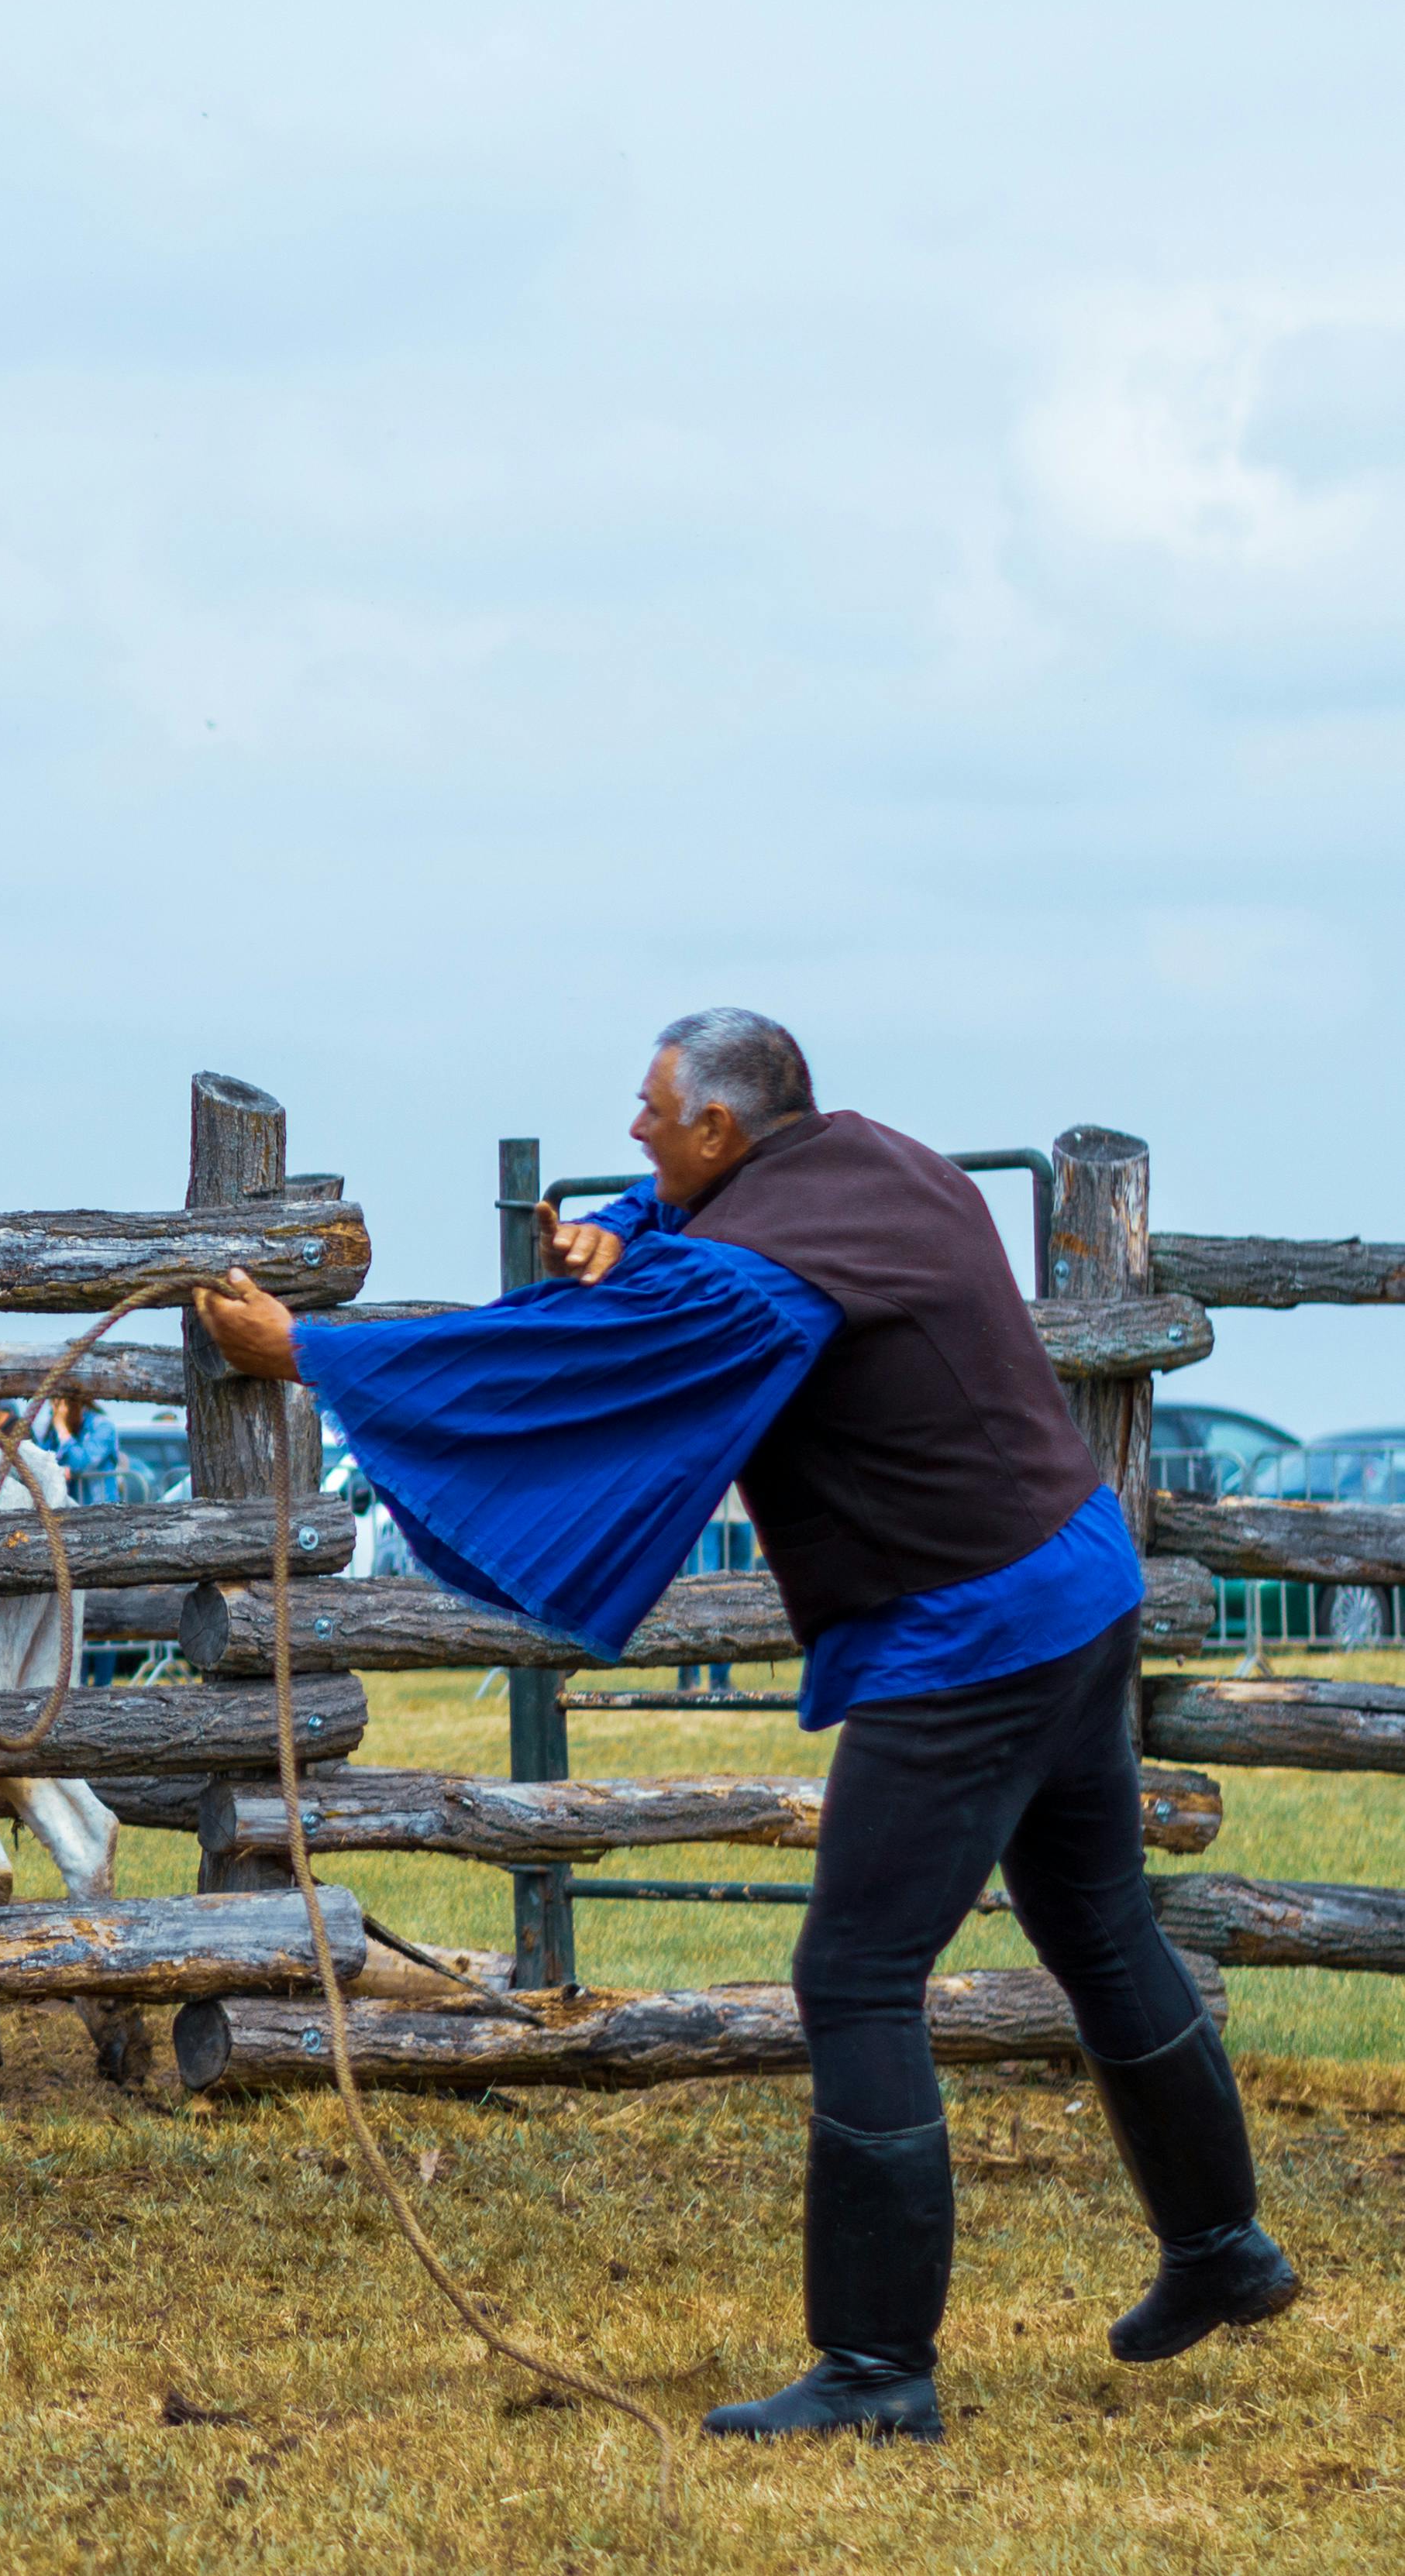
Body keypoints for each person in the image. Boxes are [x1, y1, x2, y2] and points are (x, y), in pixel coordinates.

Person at [190, 1011, 1297, 2444]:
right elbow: (690, 1227)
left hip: (968, 1634)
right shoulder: (882, 1160)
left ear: (721, 1126)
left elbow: (566, 1360)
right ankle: (1222, 2249)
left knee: (854, 1974)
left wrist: (311, 1355)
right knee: (1096, 1924)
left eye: (652, 1115)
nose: (633, 1134)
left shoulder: (750, 1277)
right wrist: (618, 1225)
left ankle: (875, 2372)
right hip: (1075, 1579)